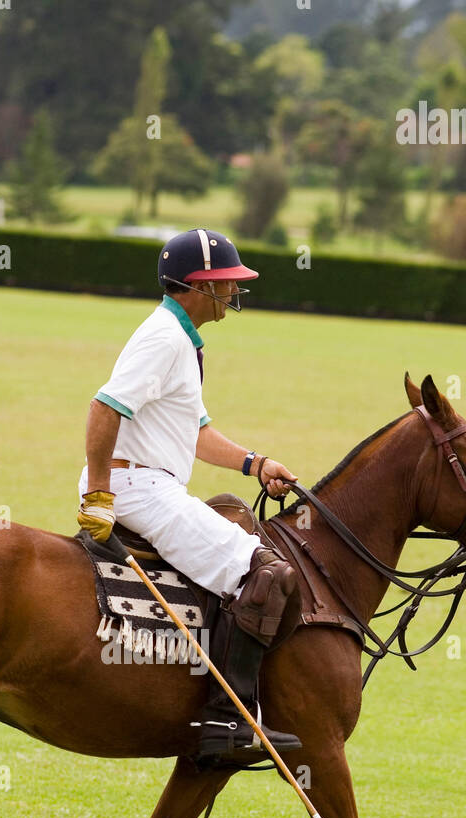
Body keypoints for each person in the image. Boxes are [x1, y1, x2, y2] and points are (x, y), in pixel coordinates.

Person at [77, 228, 302, 768]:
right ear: (199, 285)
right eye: (228, 283)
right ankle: (226, 722)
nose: (235, 292)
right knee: (264, 572)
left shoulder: (182, 339)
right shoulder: (164, 338)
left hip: (152, 483)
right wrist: (101, 493)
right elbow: (105, 408)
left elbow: (196, 434)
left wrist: (256, 463)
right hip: (138, 488)